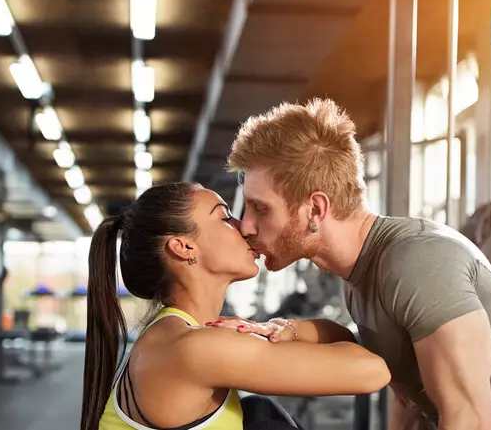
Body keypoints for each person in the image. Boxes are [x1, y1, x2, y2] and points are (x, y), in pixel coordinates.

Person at [217, 99, 491, 430]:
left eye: (261, 209)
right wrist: (289, 331)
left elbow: (473, 419)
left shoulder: (415, 263)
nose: (246, 225)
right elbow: (411, 402)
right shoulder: (360, 273)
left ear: (316, 209)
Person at [82, 182, 391, 430]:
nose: (243, 226)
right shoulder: (194, 348)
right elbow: (373, 372)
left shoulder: (177, 334)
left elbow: (345, 340)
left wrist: (282, 328)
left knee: (259, 412)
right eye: (224, 215)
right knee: (262, 415)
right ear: (183, 246)